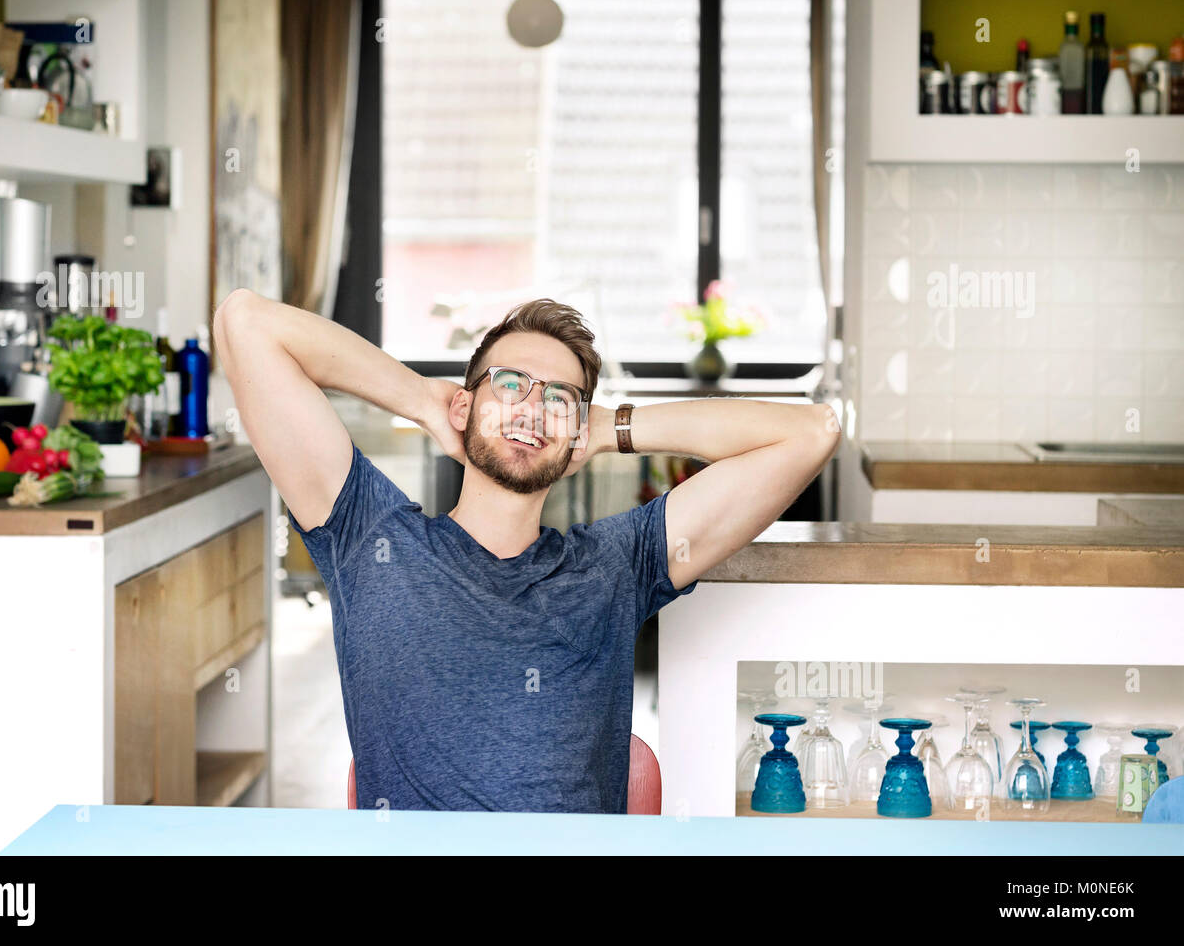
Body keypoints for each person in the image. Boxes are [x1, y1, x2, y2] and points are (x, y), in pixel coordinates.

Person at [214, 289, 839, 812]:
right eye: (511, 384)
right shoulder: (370, 539)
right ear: (468, 403)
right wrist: (423, 401)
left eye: (559, 399)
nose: (532, 409)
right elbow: (245, 322)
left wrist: (615, 429)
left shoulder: (617, 565)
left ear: (578, 432)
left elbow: (812, 432)